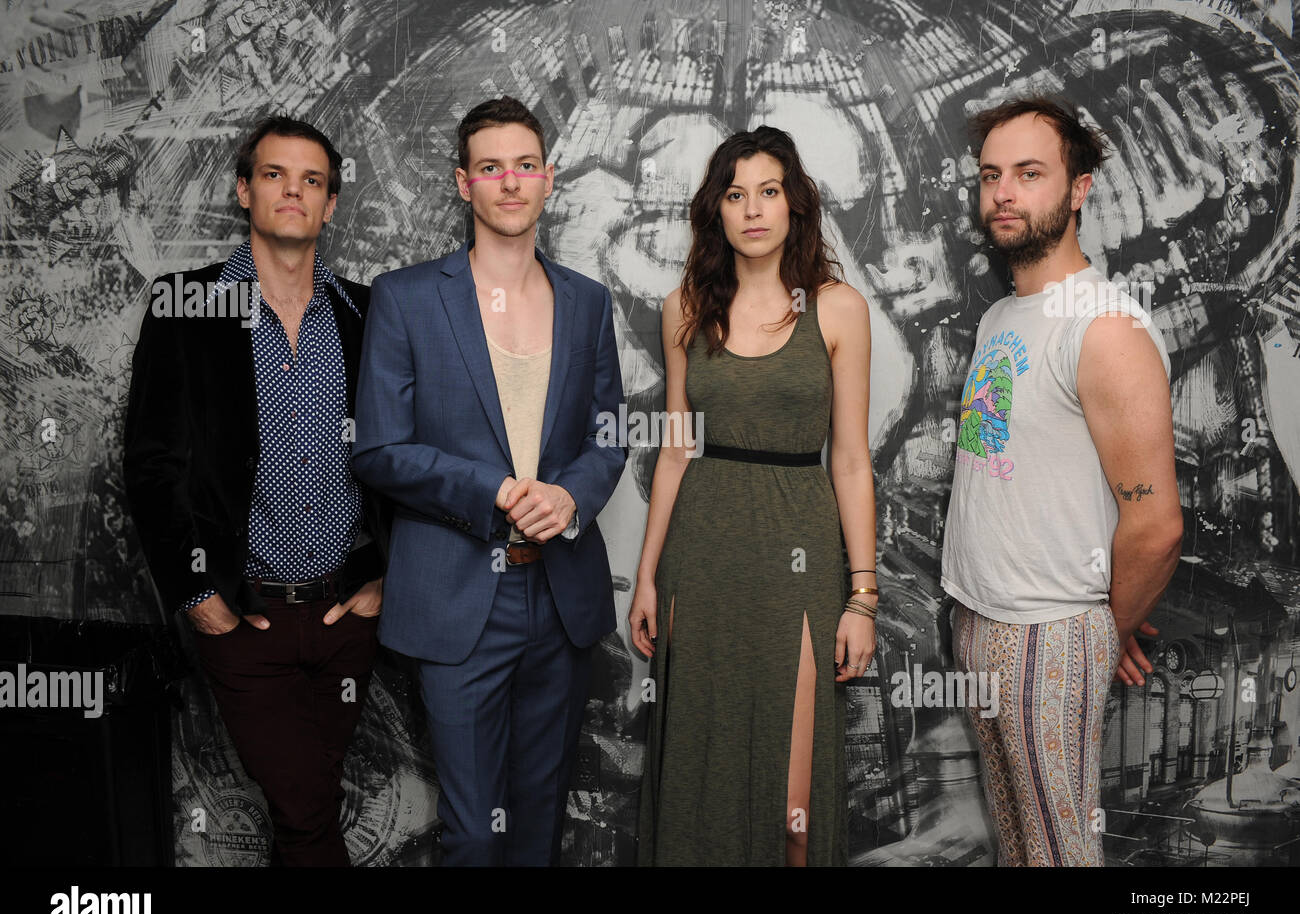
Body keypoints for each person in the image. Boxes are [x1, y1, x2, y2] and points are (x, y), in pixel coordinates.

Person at [350, 96, 626, 866]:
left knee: (539, 821)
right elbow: (377, 449)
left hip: (561, 593)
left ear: (549, 180)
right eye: (491, 167)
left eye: (526, 165)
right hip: (459, 593)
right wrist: (494, 491)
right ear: (462, 183)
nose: (511, 182)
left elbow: (609, 433)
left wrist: (570, 495)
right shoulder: (405, 298)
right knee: (474, 832)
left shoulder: (587, 302)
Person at [124, 115, 389, 866]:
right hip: (245, 618)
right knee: (308, 813)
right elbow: (151, 463)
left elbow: (406, 453)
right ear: (244, 190)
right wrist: (197, 594)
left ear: (332, 204)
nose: (293, 191)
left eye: (312, 180)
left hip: (346, 618)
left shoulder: (370, 313)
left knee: (301, 812)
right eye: (274, 174)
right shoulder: (185, 305)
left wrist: (382, 580)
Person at [942, 96, 1184, 866]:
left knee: (1059, 853)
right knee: (1022, 848)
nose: (1002, 193)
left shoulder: (1104, 328)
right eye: (991, 176)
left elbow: (1158, 524)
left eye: (1028, 174)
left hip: (1047, 634)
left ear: (1079, 188)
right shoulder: (1005, 316)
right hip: (979, 621)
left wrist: (1093, 635)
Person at [630, 126, 877, 866]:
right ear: (717, 212)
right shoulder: (682, 307)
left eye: (769, 191)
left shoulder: (838, 309)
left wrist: (862, 596)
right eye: (735, 195)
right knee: (697, 776)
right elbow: (676, 449)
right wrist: (646, 576)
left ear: (794, 203)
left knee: (794, 808)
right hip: (700, 559)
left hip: (799, 558)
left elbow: (855, 461)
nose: (753, 209)